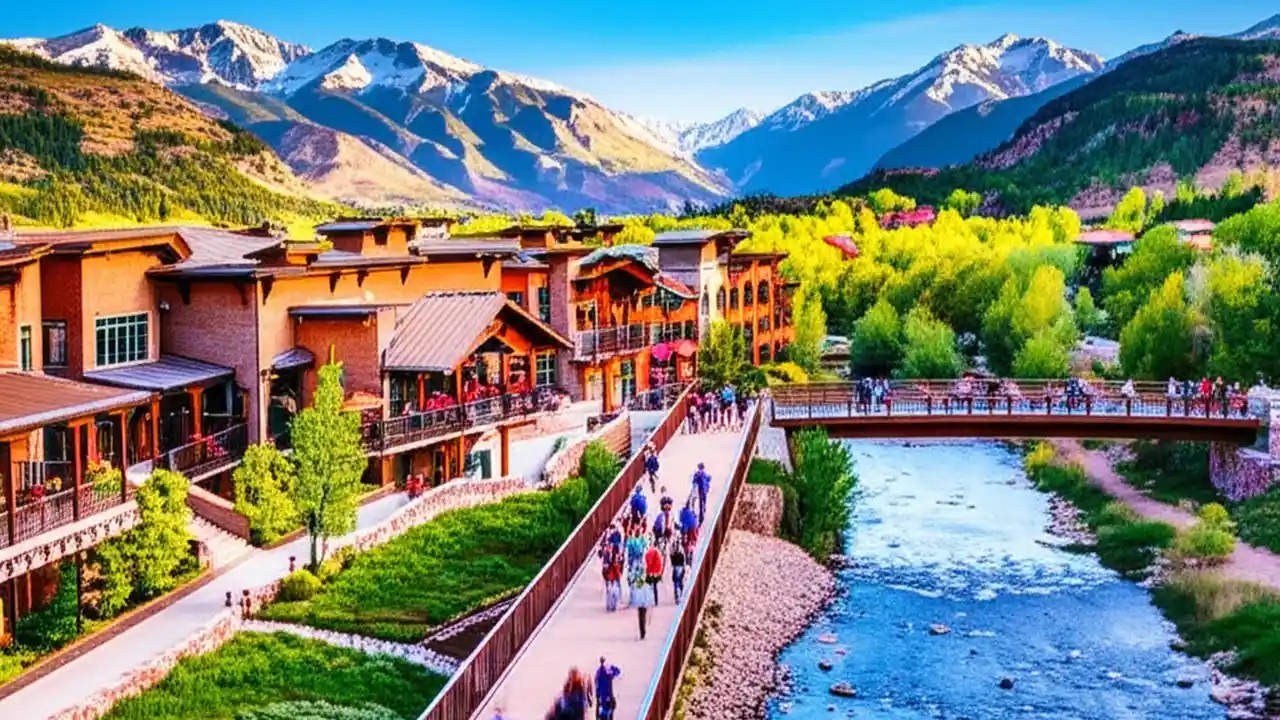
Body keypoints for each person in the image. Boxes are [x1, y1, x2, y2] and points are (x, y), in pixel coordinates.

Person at [644, 536, 665, 605]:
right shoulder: (654, 552)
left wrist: (650, 572)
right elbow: (658, 563)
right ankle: (654, 601)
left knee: (650, 587)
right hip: (653, 572)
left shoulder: (651, 552)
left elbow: (655, 563)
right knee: (653, 587)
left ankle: (652, 600)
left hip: (651, 572)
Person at [601, 546, 623, 612]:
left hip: (614, 579)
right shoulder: (610, 562)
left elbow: (618, 571)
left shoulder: (617, 563)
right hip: (610, 579)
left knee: (614, 593)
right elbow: (605, 571)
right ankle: (610, 606)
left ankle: (612, 606)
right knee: (610, 592)